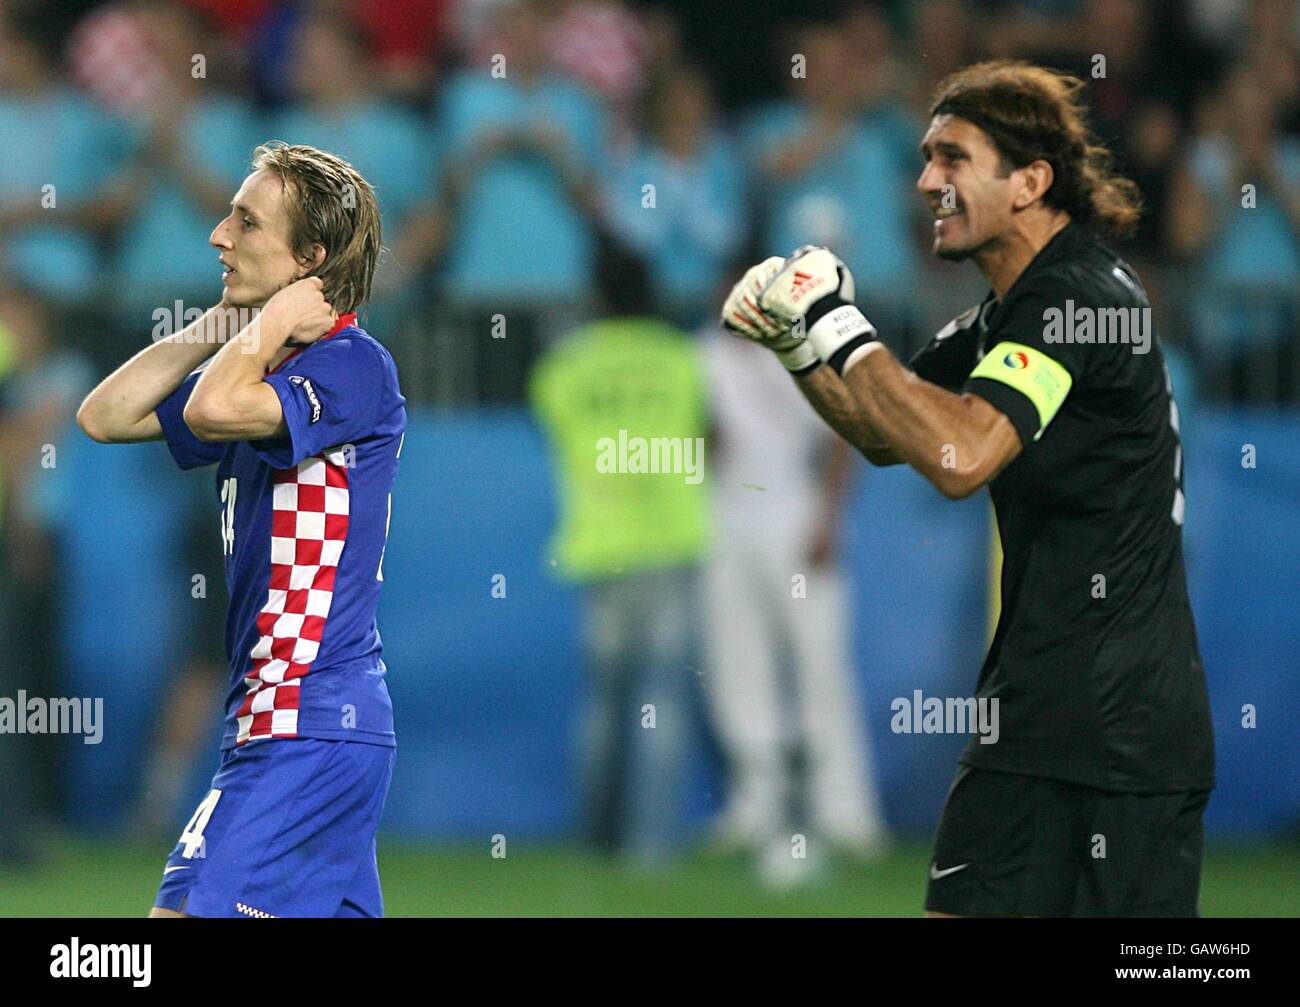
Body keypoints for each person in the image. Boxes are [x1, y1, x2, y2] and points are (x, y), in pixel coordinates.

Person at [722, 60, 1215, 917]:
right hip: (1033, 708)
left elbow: (960, 457)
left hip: (1123, 728)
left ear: (1030, 181)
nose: (925, 181)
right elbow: (887, 434)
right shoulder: (1005, 312)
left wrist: (842, 322)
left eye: (952, 158)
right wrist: (801, 346)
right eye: (924, 157)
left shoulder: (1079, 297)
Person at [76, 141, 406, 918]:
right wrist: (230, 318)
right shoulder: (263, 366)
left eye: (246, 222)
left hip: (310, 723)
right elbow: (103, 415)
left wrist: (261, 328)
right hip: (281, 726)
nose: (218, 235)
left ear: (310, 257)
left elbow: (209, 410)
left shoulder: (352, 366)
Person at [702, 322, 887, 885]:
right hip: (726, 527)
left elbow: (842, 439)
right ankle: (755, 806)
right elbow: (699, 437)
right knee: (738, 670)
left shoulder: (802, 359)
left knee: (821, 669)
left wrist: (829, 519)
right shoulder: (703, 357)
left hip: (796, 523)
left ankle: (846, 812)